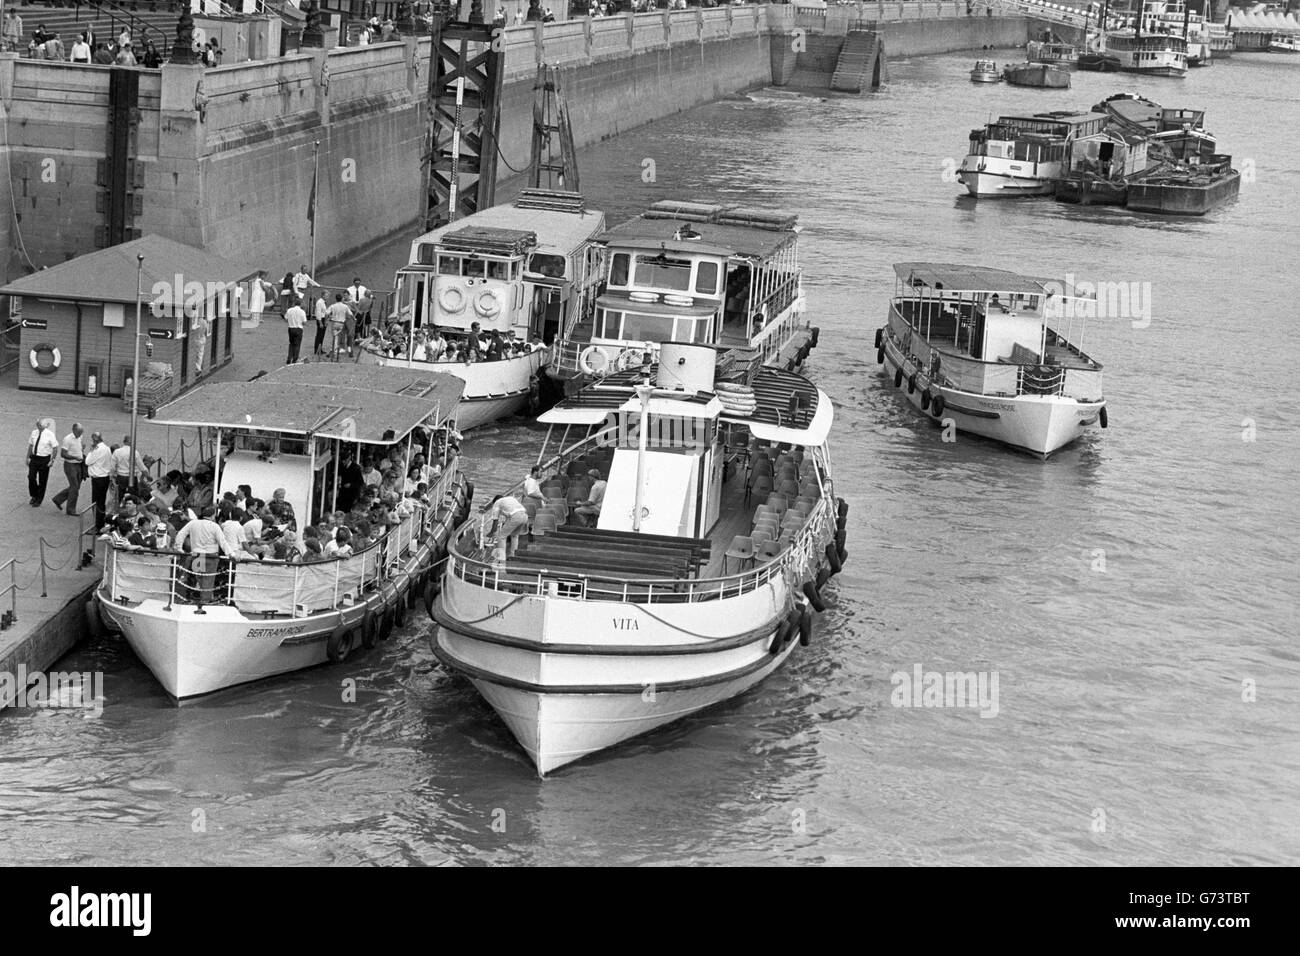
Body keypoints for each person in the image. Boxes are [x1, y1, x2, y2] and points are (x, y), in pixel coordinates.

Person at [174, 505, 235, 604]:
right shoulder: (215, 526)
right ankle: (204, 602)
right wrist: (231, 554)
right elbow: (223, 542)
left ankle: (195, 600)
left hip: (197, 555)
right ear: (213, 515)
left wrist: (179, 548)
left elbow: (181, 534)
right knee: (208, 580)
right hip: (211, 557)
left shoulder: (193, 523)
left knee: (198, 579)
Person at [51, 422, 86, 515]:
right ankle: (71, 509)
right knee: (74, 487)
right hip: (70, 465)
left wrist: (82, 449)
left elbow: (79, 447)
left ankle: (58, 499)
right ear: (74, 430)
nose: (80, 434)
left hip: (79, 464)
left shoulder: (80, 437)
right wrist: (75, 457)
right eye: (79, 432)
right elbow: (63, 454)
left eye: (81, 432)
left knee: (76, 486)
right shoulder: (67, 439)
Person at [483, 494, 529, 563]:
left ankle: (501, 559)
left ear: (494, 501)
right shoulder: (510, 498)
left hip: (516, 517)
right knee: (514, 536)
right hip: (525, 516)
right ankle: (512, 556)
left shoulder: (496, 503)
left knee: (501, 537)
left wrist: (490, 534)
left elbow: (495, 524)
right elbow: (511, 512)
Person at [27, 418, 58, 507]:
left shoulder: (50, 434)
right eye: (38, 425)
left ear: (44, 426)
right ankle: (34, 494)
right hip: (34, 458)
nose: (39, 427)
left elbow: (55, 448)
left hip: (44, 459)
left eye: (40, 425)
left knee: (42, 480)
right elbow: (31, 445)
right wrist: (28, 457)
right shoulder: (34, 433)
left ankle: (39, 499)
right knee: (31, 477)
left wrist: (52, 460)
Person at [84, 433, 112, 529]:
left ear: (95, 441)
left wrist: (91, 450)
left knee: (96, 502)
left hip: (98, 478)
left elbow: (87, 461)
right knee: (101, 501)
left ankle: (98, 525)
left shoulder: (97, 450)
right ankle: (101, 522)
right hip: (105, 477)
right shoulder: (107, 448)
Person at [111, 435, 148, 500]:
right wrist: (147, 475)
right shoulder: (135, 452)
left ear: (124, 442)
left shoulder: (116, 452)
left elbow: (112, 468)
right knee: (133, 497)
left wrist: (111, 479)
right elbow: (142, 467)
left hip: (121, 478)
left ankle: (121, 507)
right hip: (132, 478)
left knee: (121, 497)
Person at [325, 293, 352, 357]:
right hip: (341, 323)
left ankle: (334, 351)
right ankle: (335, 350)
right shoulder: (345, 306)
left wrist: (326, 320)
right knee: (338, 337)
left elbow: (326, 313)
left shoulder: (333, 306)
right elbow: (350, 314)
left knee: (335, 337)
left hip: (334, 322)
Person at [284, 297, 307, 364]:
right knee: (297, 344)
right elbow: (304, 322)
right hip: (298, 328)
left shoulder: (289, 310)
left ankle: (289, 357)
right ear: (300, 304)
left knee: (291, 343)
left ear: (294, 303)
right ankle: (295, 358)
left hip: (291, 328)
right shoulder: (302, 311)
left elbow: (285, 319)